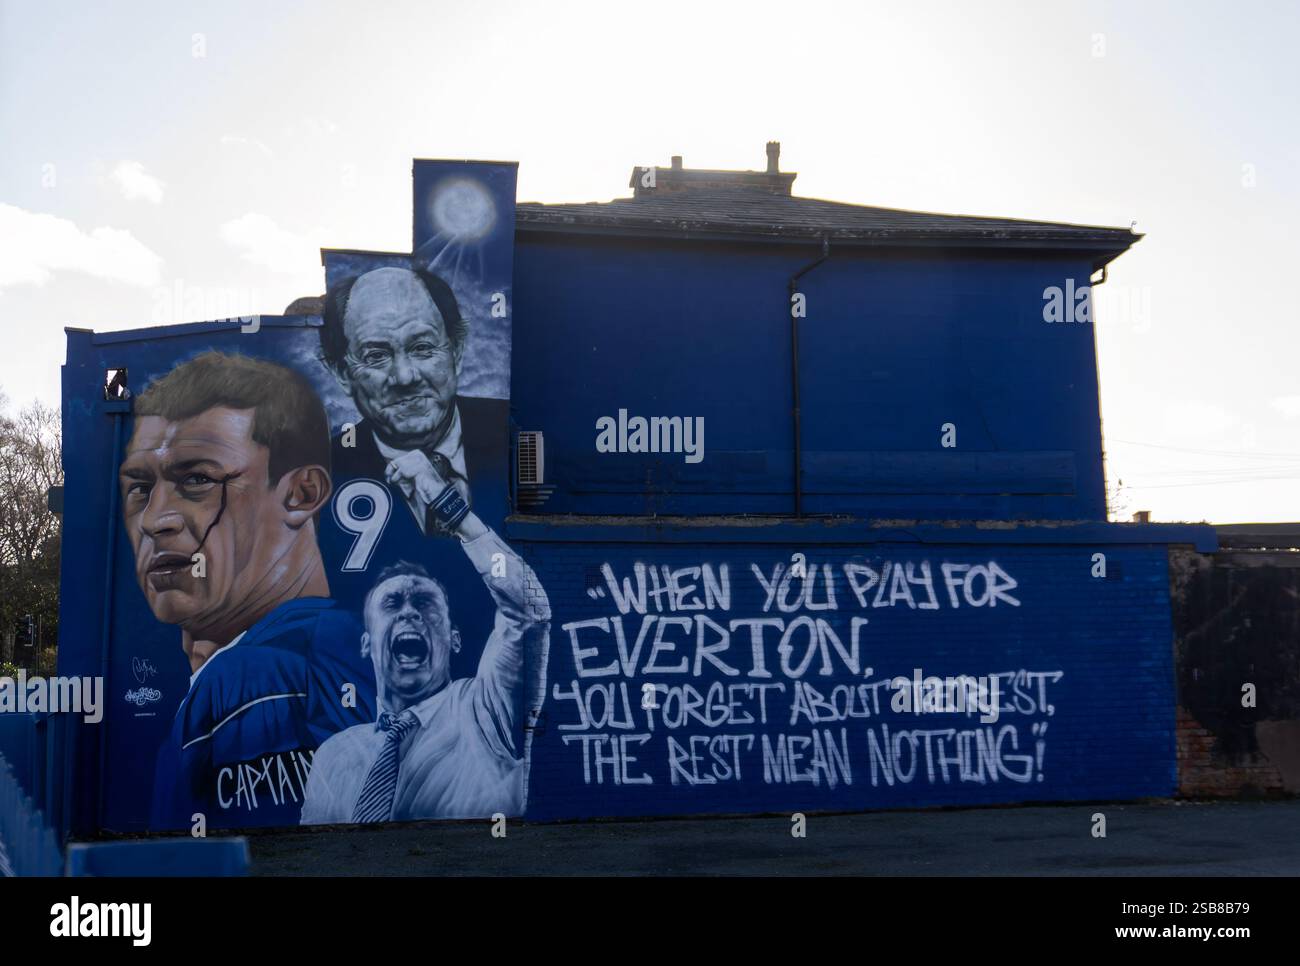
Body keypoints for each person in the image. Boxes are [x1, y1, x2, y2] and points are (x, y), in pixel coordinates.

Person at [119, 351, 375, 830]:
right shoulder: (353, 649)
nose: (154, 520)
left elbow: (259, 854)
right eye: (139, 487)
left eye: (197, 479)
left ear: (301, 493)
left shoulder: (246, 680)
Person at [300, 472, 550, 824]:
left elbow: (529, 610)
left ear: (455, 639)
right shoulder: (334, 755)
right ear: (367, 643)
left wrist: (454, 513)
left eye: (423, 603)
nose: (409, 613)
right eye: (392, 603)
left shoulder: (485, 707)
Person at [319, 263, 505, 537]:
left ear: (456, 352)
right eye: (376, 356)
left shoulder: (509, 430)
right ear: (342, 374)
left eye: (422, 348)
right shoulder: (324, 471)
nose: (405, 377)